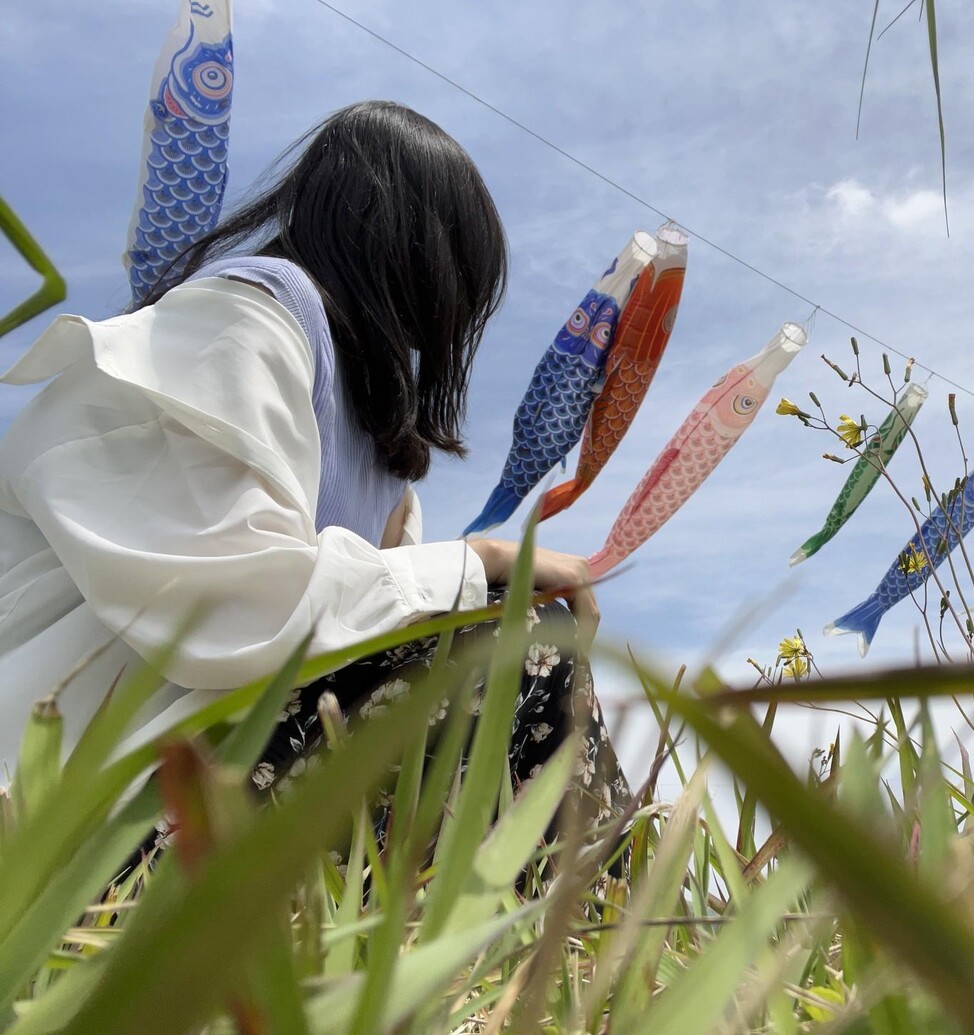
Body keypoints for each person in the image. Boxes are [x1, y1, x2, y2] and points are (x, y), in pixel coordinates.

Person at [0, 101, 631, 843]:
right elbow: (231, 612)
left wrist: (458, 577)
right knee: (518, 646)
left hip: (207, 782)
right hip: (79, 813)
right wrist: (479, 561)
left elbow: (373, 636)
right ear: (412, 248)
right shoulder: (246, 321)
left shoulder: (380, 461)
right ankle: (604, 932)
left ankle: (573, 939)